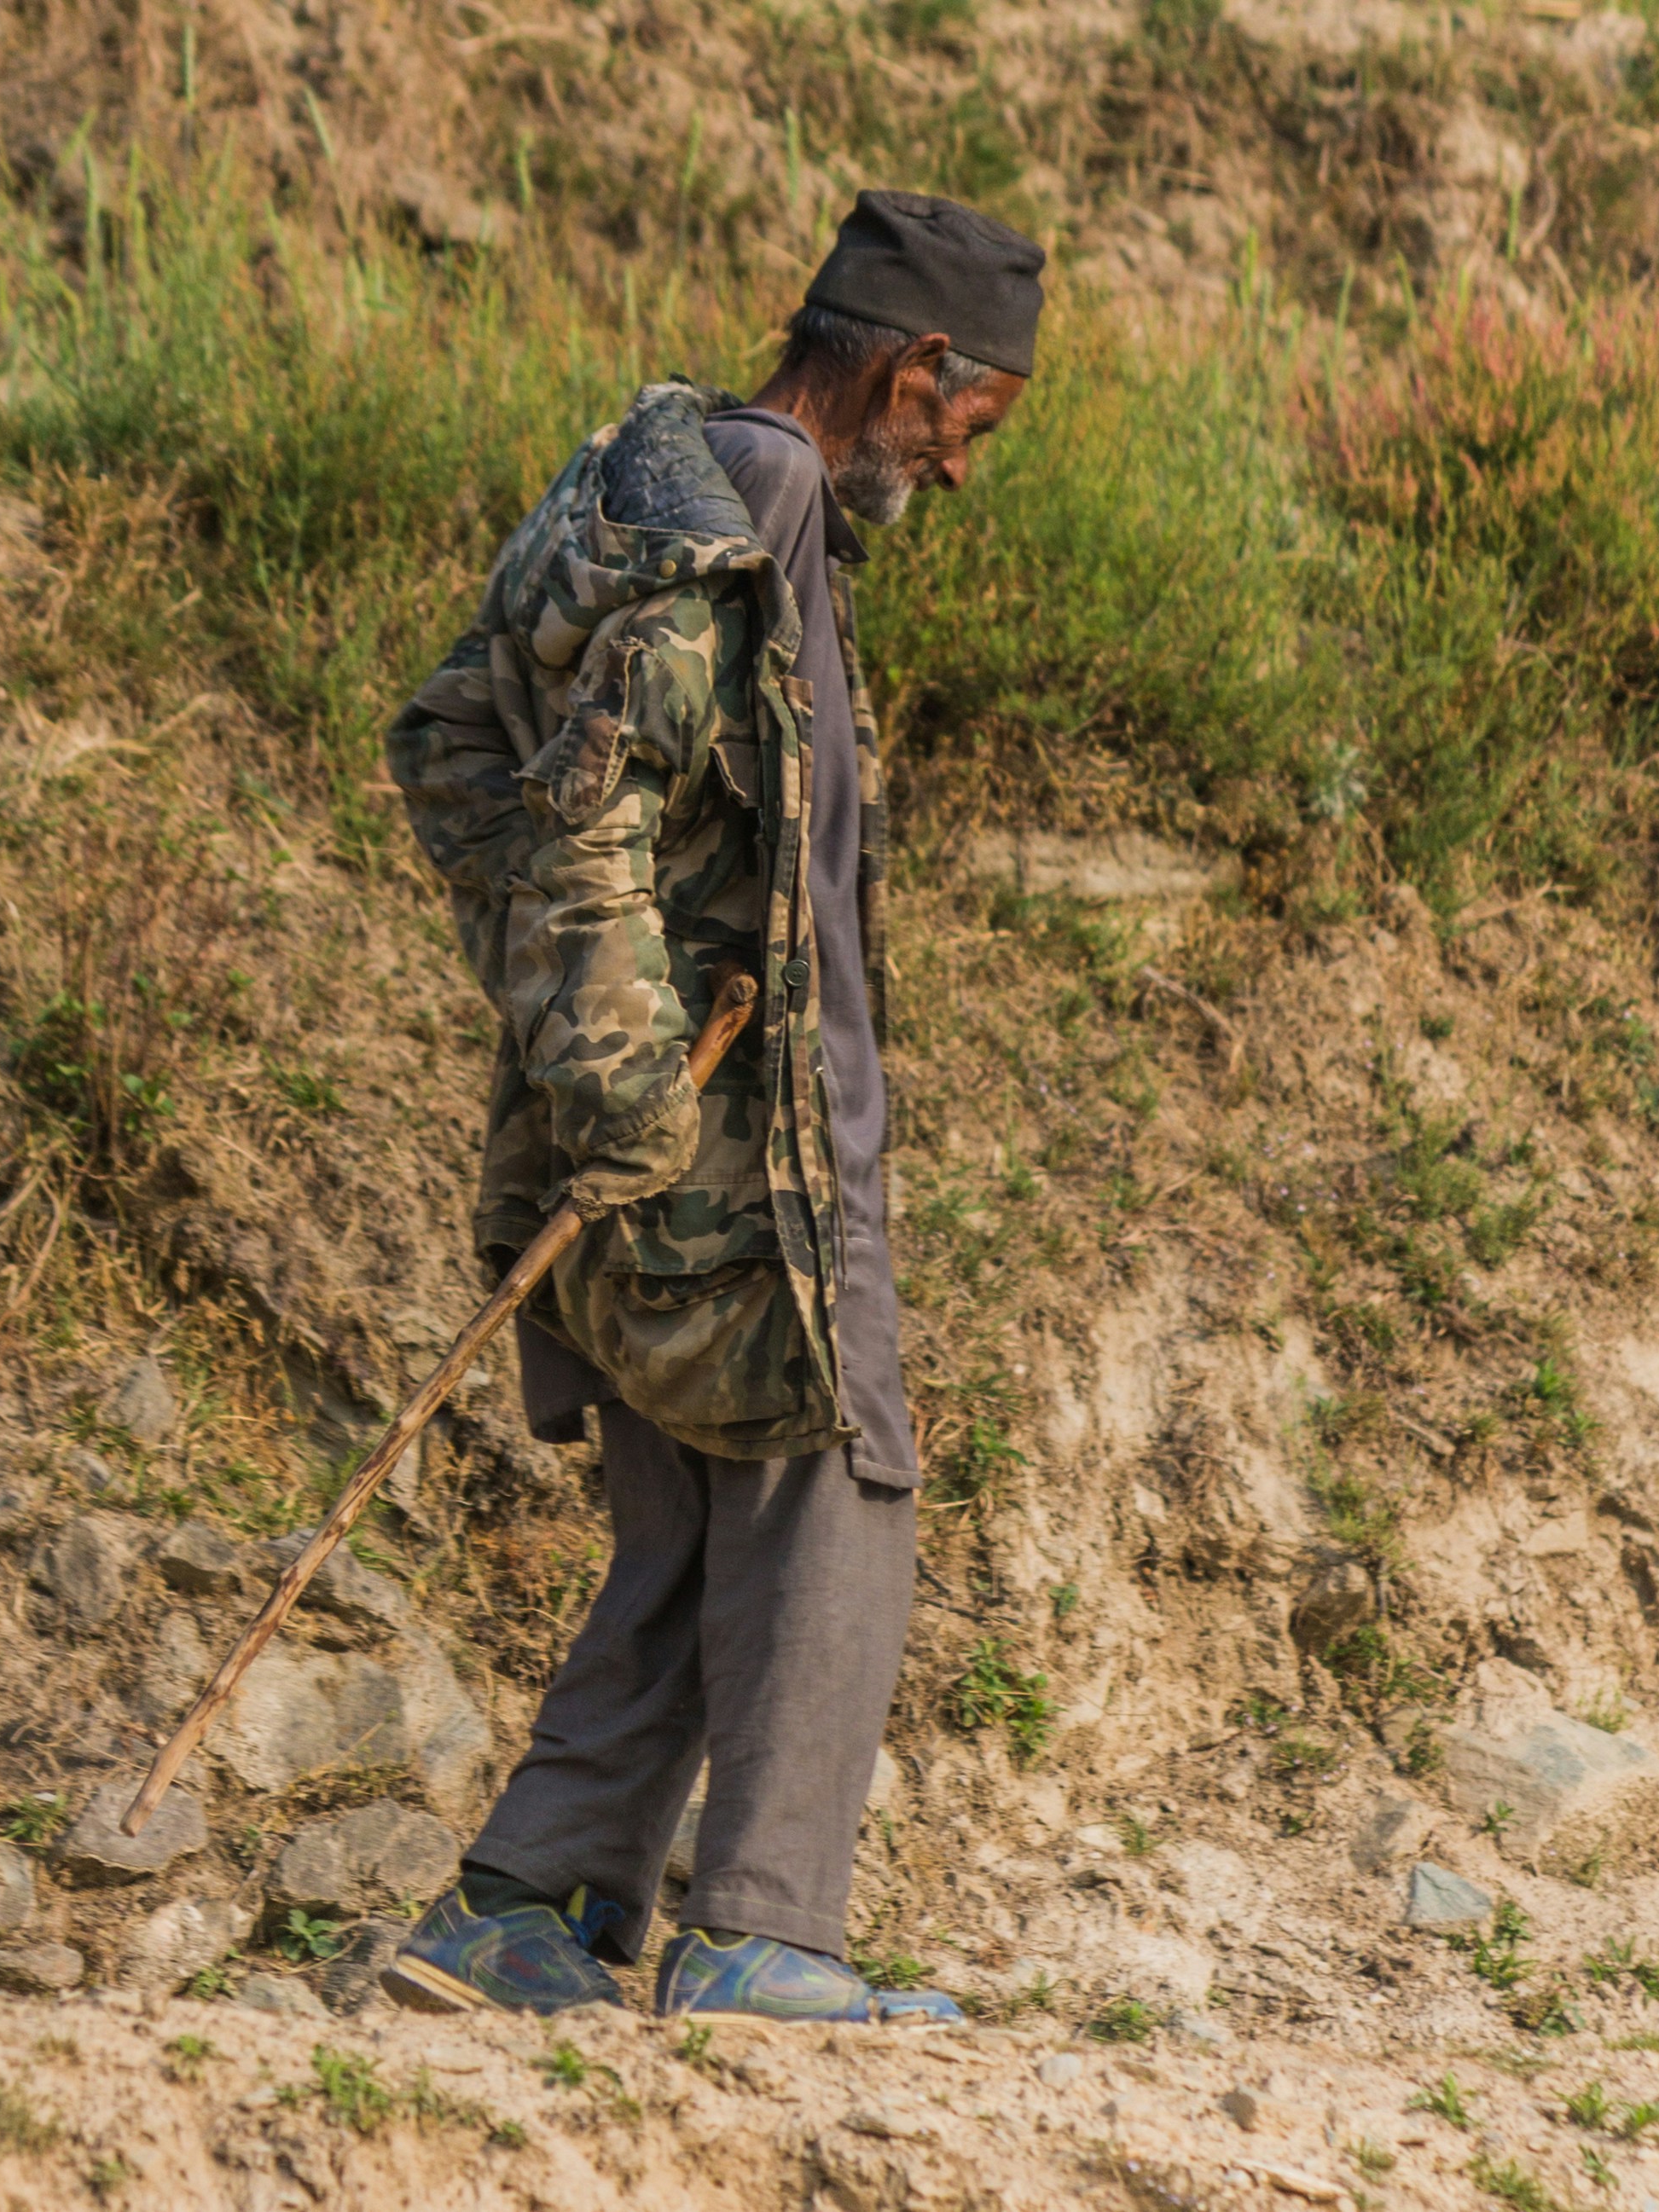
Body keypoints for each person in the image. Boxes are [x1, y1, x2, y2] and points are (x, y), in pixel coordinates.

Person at [383, 189, 1042, 2023]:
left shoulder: (669, 481)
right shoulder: (757, 505)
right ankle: (764, 1932)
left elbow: (456, 742)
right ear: (915, 369)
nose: (963, 471)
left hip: (660, 1127)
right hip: (726, 1145)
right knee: (841, 1483)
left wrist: (582, 1068)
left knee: (691, 1528)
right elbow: (591, 798)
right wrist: (620, 1080)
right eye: (969, 427)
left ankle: (519, 1907)